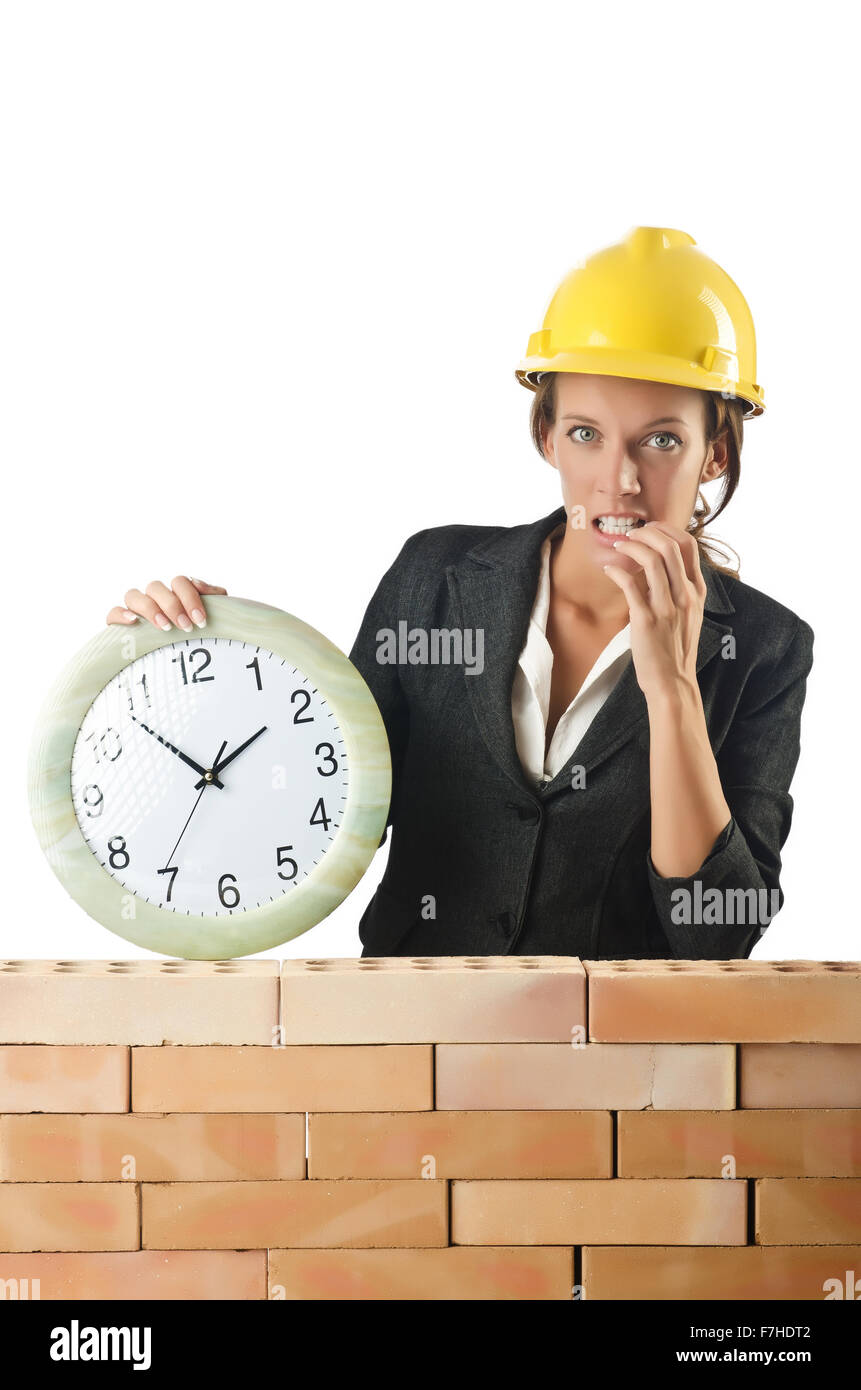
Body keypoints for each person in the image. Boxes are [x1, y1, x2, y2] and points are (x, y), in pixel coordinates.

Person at [107, 226, 814, 960]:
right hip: (411, 1041)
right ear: (545, 436)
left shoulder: (764, 649)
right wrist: (195, 667)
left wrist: (671, 689)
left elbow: (718, 932)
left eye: (661, 439)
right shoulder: (434, 578)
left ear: (715, 455)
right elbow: (319, 804)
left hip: (621, 1063)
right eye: (584, 434)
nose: (620, 479)